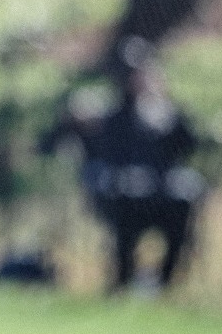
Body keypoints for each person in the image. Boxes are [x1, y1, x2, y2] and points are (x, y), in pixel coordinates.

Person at [49, 65, 204, 294]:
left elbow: (188, 145)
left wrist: (167, 111)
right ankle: (123, 281)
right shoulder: (113, 118)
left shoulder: (165, 115)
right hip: (125, 199)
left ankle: (163, 284)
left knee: (182, 210)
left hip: (162, 198)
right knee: (125, 214)